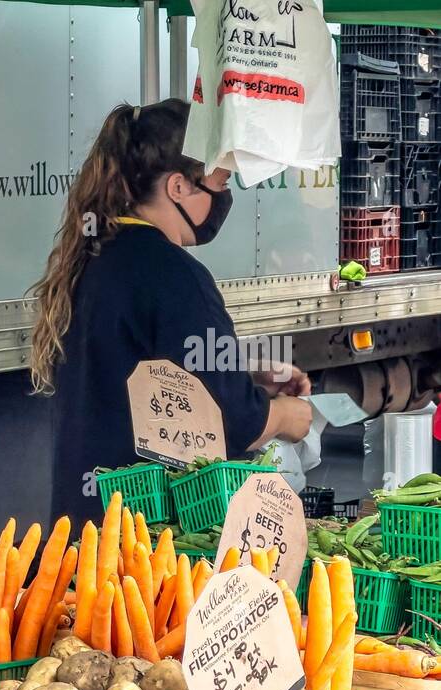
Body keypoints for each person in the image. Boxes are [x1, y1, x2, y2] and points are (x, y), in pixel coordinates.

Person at [31, 98, 313, 523]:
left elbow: (148, 368)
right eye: (218, 185)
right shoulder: (177, 276)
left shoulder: (92, 255)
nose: (222, 199)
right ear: (178, 187)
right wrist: (289, 418)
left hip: (83, 521)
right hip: (146, 534)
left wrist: (245, 374)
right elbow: (237, 423)